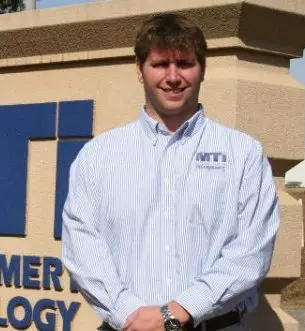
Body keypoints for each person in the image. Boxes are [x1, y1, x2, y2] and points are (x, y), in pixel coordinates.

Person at [62, 13, 279, 331]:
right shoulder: (98, 155)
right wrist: (130, 314)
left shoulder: (244, 154)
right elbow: (81, 244)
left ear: (202, 69)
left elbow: (252, 251)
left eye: (185, 64)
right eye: (161, 64)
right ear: (140, 70)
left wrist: (178, 311)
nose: (173, 76)